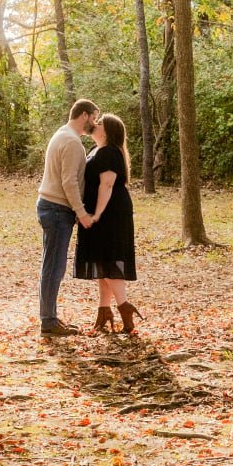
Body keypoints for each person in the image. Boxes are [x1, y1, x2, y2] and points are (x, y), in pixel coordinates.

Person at [74, 113, 142, 333]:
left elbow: (108, 184)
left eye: (100, 122)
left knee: (110, 259)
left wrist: (96, 214)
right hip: (101, 212)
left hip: (110, 213)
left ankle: (124, 306)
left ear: (109, 131)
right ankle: (104, 310)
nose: (95, 124)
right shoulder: (96, 151)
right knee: (100, 260)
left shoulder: (110, 152)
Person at [36, 99, 99, 337]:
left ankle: (49, 318)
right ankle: (48, 321)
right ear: (84, 115)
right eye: (93, 117)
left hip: (52, 207)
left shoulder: (62, 134)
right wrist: (81, 213)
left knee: (51, 265)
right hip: (56, 209)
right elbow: (69, 182)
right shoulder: (72, 142)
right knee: (53, 267)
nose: (95, 123)